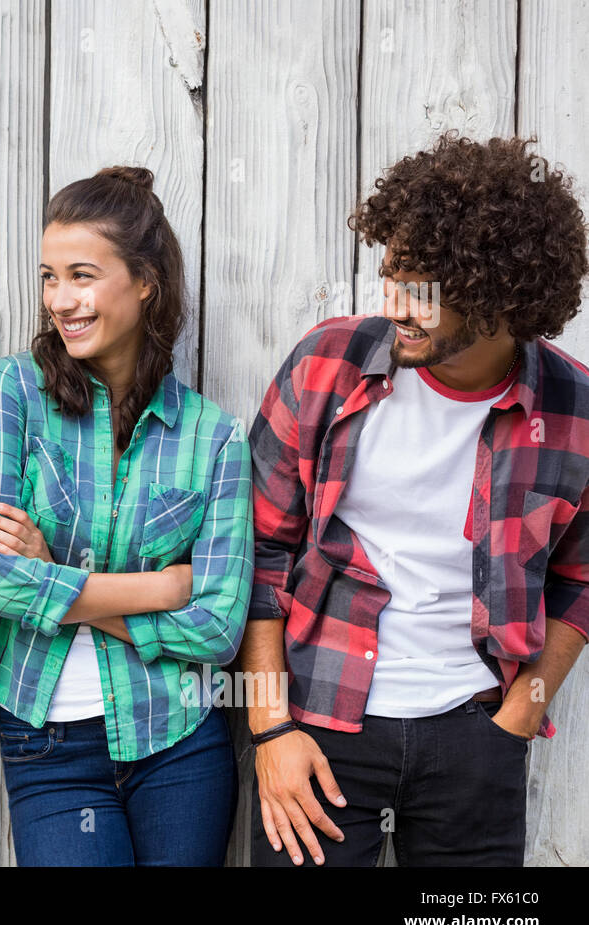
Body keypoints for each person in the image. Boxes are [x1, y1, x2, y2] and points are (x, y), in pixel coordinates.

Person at [245, 132, 589, 867]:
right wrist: (271, 728)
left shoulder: (573, 410)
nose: (394, 303)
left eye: (421, 288)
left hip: (476, 734)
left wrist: (518, 720)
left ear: (496, 292)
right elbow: (260, 550)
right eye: (391, 275)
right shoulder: (325, 367)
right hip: (320, 725)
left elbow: (582, 580)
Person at [0, 166, 252, 866]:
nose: (61, 299)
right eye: (49, 277)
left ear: (145, 281)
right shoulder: (11, 393)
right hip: (49, 745)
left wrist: (52, 578)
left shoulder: (213, 437)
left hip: (179, 740)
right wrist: (159, 589)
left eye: (82, 275)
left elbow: (216, 629)